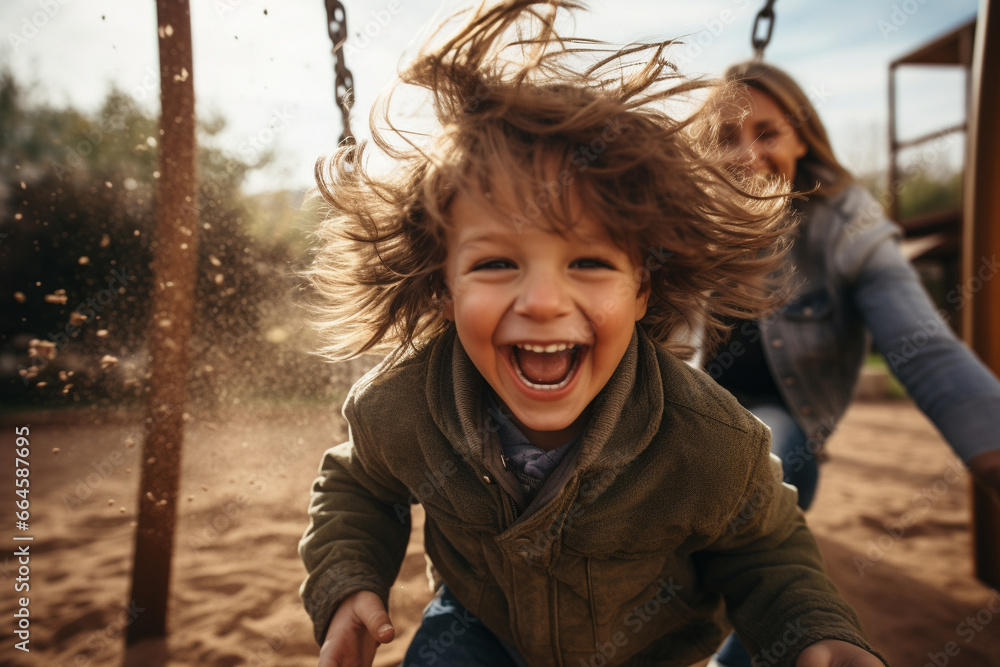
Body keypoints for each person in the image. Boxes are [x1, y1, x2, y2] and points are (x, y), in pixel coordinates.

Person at [298, 3, 887, 666]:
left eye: (588, 262)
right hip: (480, 627)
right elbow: (361, 485)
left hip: (642, 651)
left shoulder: (705, 437)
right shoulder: (406, 403)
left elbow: (766, 547)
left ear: (642, 288)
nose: (544, 301)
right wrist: (349, 580)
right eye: (496, 264)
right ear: (444, 287)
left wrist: (815, 629)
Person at [705, 60, 1000, 667]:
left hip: (777, 433)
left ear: (803, 138)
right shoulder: (684, 226)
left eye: (767, 132)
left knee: (766, 455)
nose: (747, 155)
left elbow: (925, 345)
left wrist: (993, 449)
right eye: (725, 137)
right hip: (682, 419)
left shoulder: (846, 224)